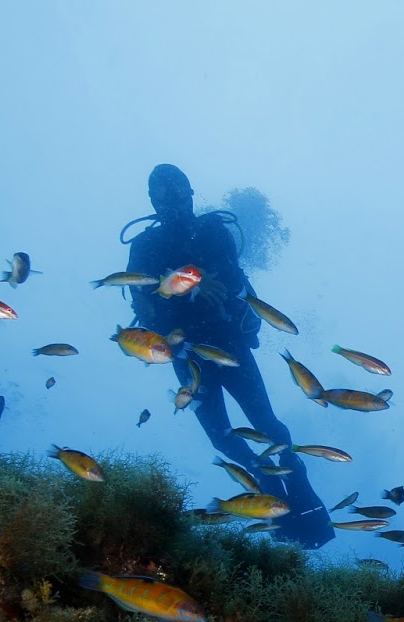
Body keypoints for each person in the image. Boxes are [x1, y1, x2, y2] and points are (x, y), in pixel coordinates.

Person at [122, 164, 334, 549]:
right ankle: (265, 484)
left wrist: (202, 279)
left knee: (265, 422)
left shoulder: (213, 230)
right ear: (152, 201)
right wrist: (184, 289)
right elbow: (144, 305)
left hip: (230, 346)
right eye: (163, 196)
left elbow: (236, 280)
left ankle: (299, 482)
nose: (173, 203)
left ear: (191, 192)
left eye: (179, 193)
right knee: (222, 437)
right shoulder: (144, 247)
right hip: (186, 356)